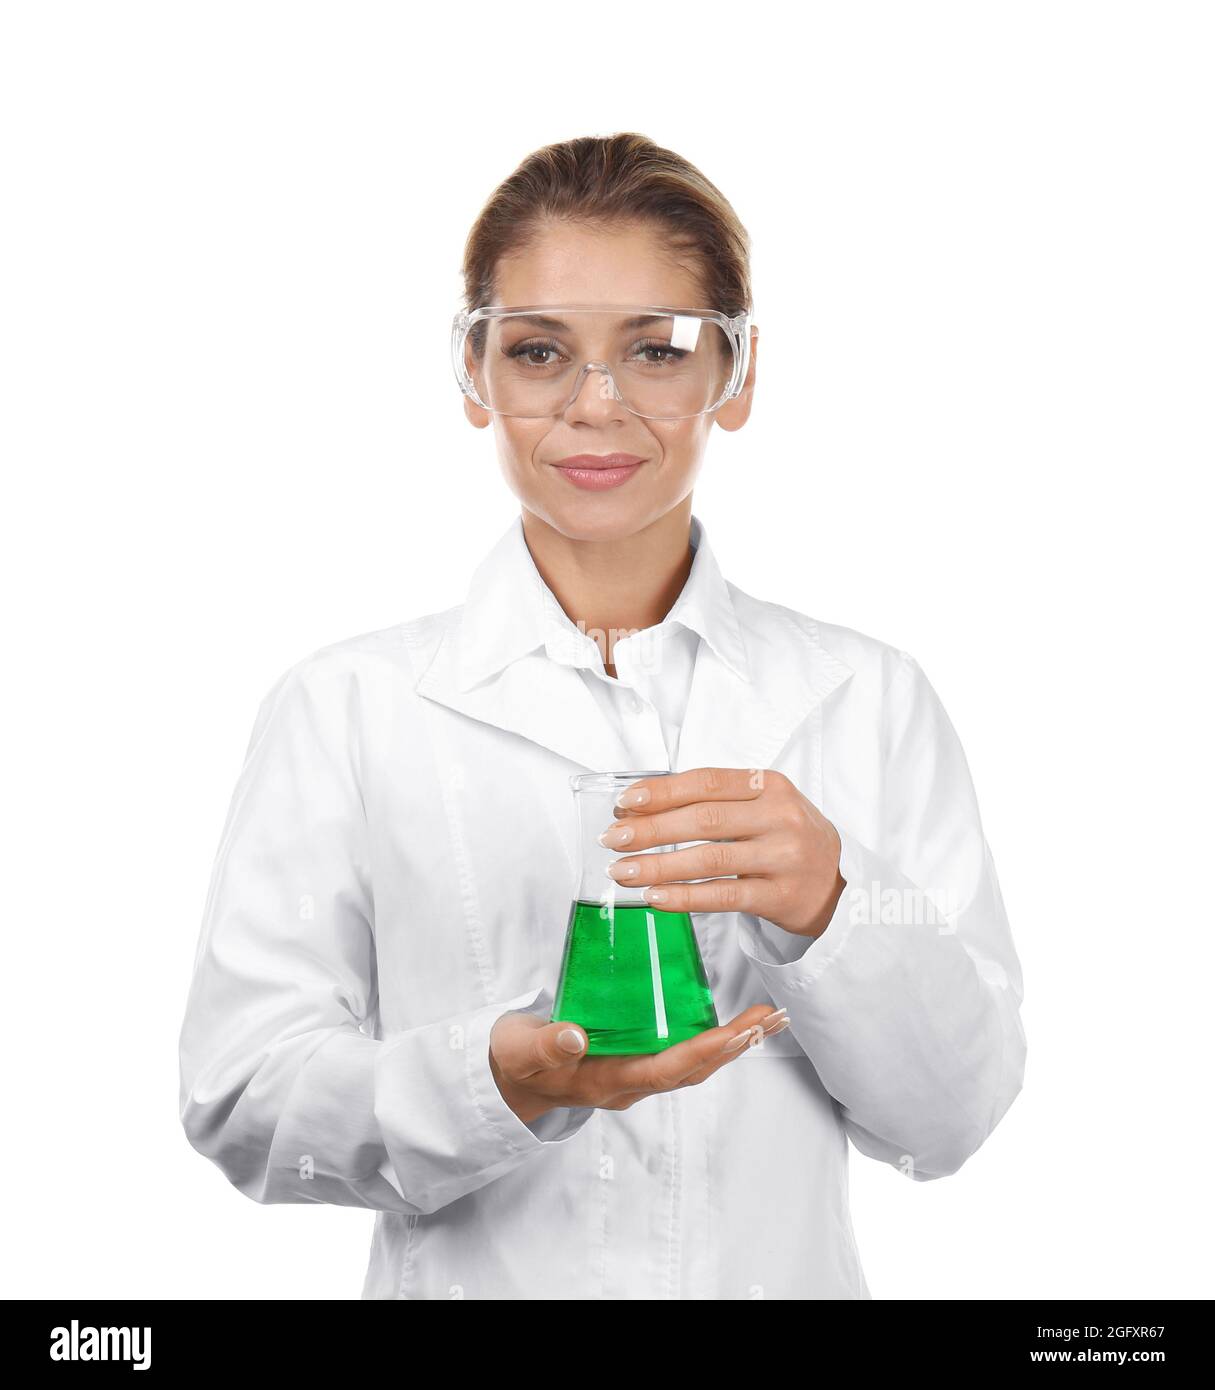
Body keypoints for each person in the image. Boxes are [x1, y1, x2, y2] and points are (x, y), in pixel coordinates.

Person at [178, 131, 1026, 1300]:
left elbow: (954, 1117)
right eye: (539, 351)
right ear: (475, 373)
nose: (596, 404)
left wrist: (836, 906)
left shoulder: (866, 701)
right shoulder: (350, 710)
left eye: (656, 349)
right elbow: (244, 1102)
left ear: (738, 374)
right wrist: (497, 1082)